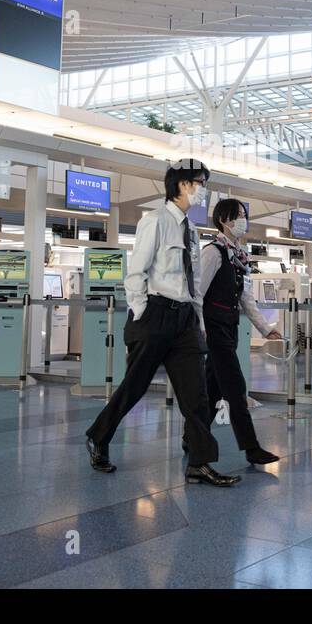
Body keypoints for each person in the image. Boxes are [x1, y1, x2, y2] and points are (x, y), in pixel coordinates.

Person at [85, 159, 238, 487]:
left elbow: (192, 279)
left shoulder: (192, 229)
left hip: (184, 320)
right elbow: (136, 272)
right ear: (183, 185)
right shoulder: (154, 221)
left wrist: (196, 318)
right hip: (155, 315)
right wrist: (141, 312)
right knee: (135, 387)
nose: (204, 191)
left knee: (196, 394)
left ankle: (199, 462)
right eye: (201, 183)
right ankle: (99, 437)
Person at [196, 199, 282, 464]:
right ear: (224, 219)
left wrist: (266, 329)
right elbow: (196, 294)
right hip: (214, 330)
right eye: (239, 215)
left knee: (212, 391)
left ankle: (192, 438)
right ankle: (251, 447)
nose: (243, 220)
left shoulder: (239, 255)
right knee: (235, 387)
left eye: (245, 215)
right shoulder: (212, 252)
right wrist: (201, 330)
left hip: (229, 327)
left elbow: (246, 298)